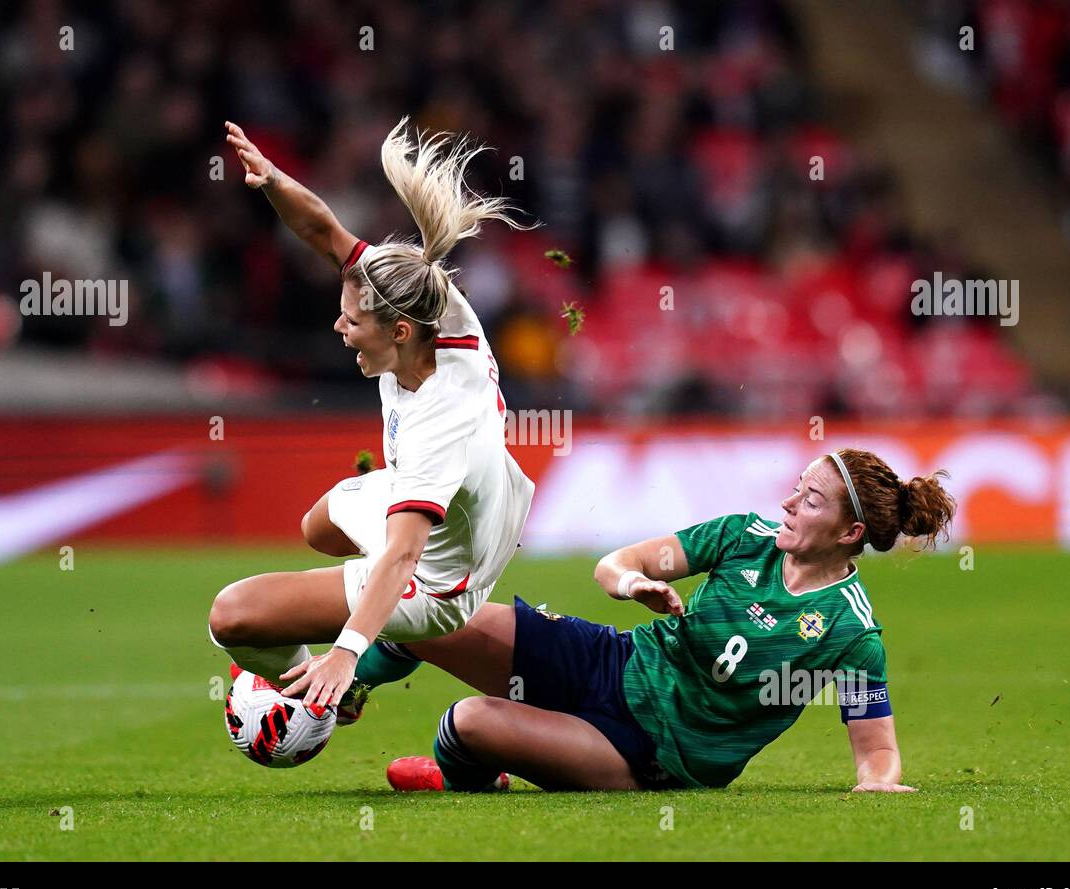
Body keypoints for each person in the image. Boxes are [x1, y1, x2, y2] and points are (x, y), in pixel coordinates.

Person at [352, 449, 955, 792]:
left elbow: (876, 747)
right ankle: (336, 694)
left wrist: (877, 782)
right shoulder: (745, 536)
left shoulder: (851, 634)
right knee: (429, 610)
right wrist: (632, 582)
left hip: (649, 752)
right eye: (797, 489)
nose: (788, 505)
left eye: (811, 501)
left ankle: (471, 777)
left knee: (466, 723)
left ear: (850, 534)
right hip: (614, 661)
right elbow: (619, 562)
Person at [208, 118, 535, 716]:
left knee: (231, 616)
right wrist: (275, 181)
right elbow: (325, 232)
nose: (340, 328)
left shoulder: (441, 417)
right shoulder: (419, 292)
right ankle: (378, 640)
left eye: (352, 323)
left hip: (440, 578)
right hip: (480, 500)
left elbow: (405, 554)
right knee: (319, 529)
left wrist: (345, 652)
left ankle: (330, 688)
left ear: (400, 334)